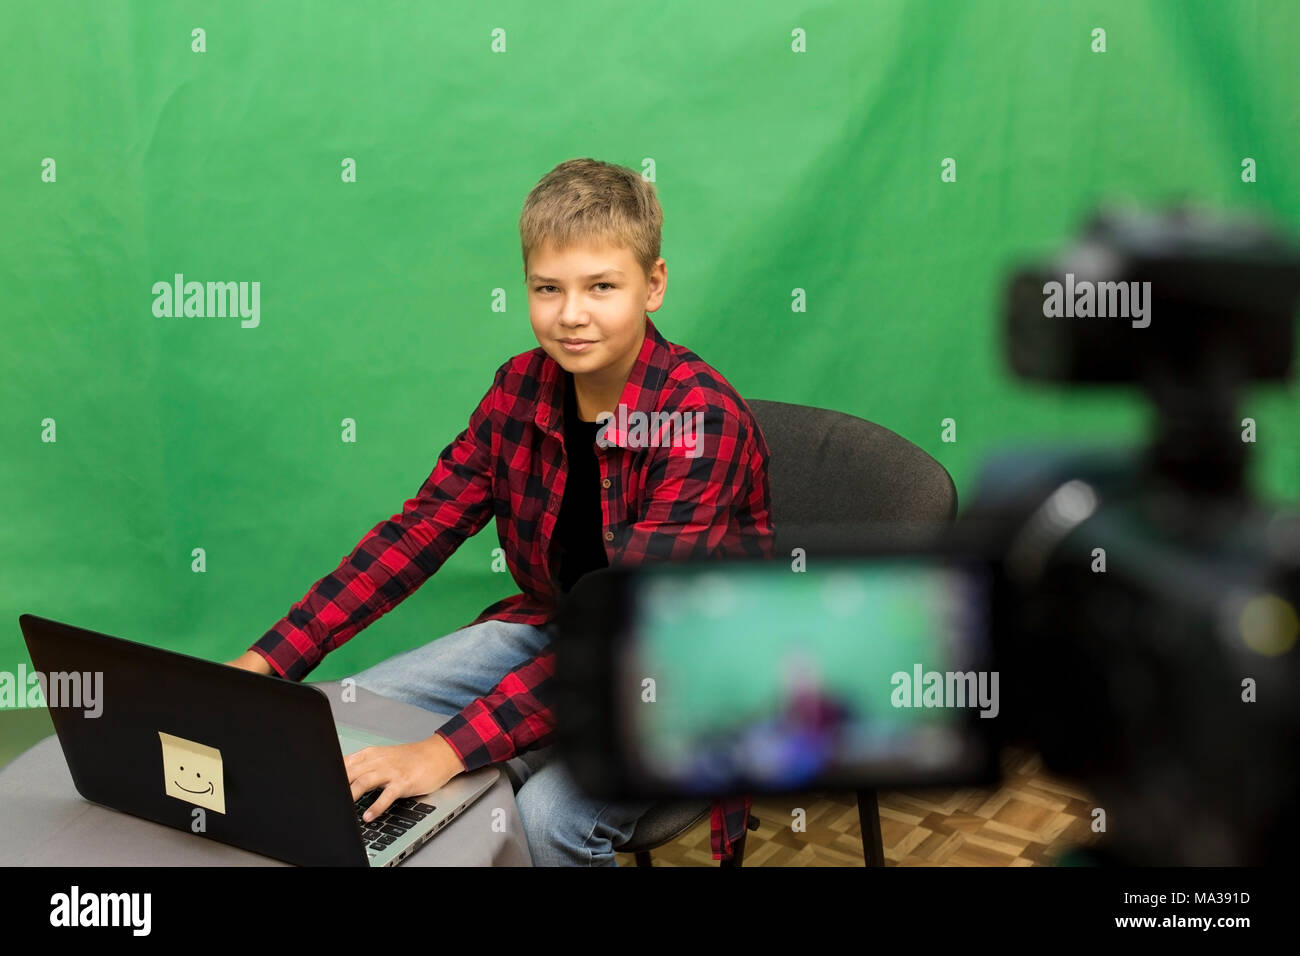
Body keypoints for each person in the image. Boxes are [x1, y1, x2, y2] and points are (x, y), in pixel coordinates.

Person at [226, 157, 775, 865]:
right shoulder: (520, 387)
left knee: (543, 816)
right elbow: (416, 532)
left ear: (654, 285)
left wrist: (445, 748)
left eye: (601, 287)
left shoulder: (698, 421)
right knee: (339, 722)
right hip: (556, 632)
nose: (571, 314)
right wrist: (269, 659)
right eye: (549, 289)